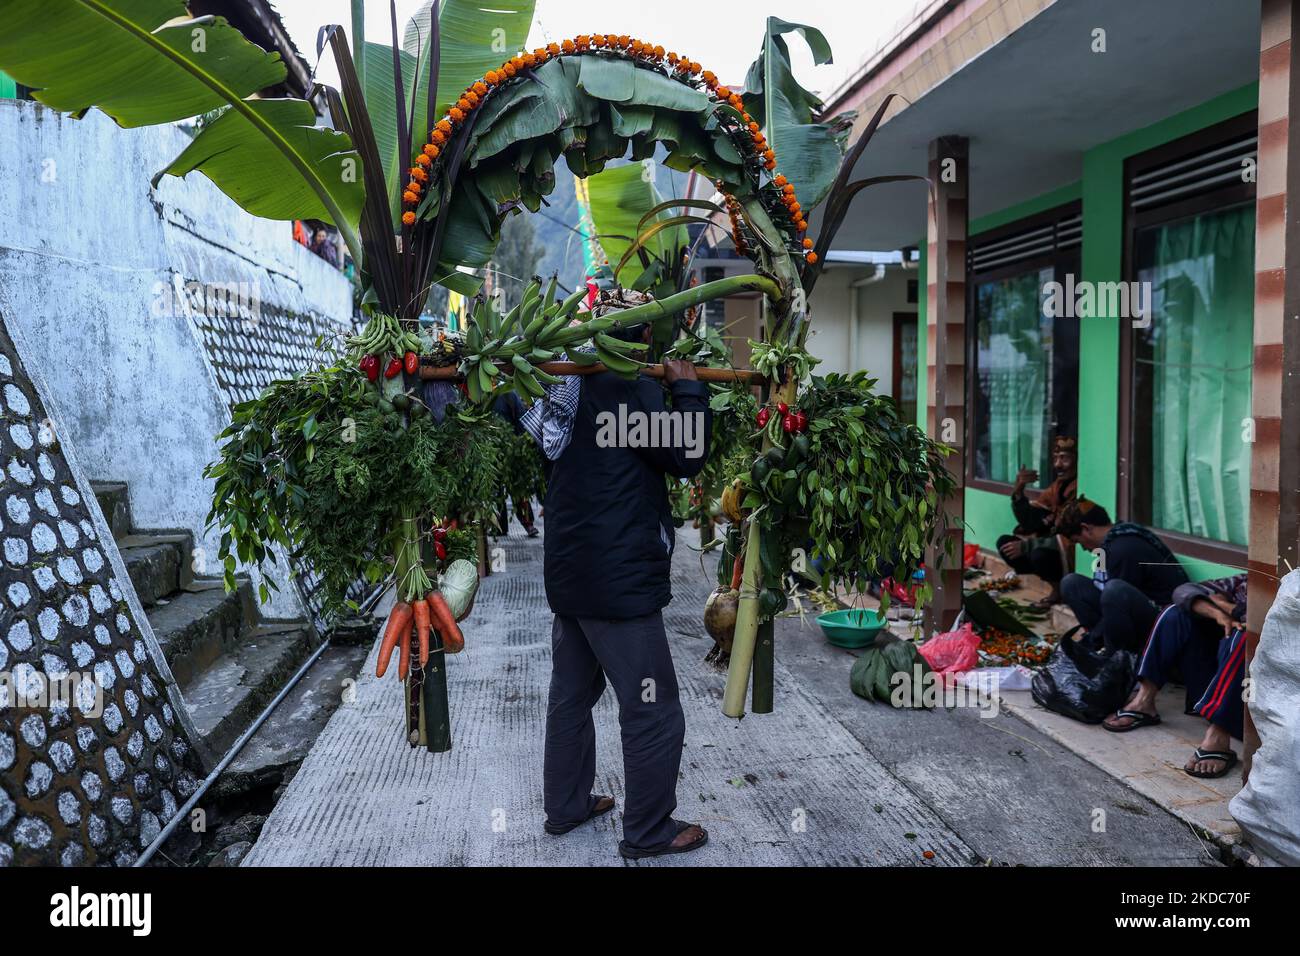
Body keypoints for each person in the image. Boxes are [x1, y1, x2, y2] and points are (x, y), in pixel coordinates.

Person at [538, 321, 711, 859]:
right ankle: (650, 830)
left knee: (570, 698)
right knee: (652, 708)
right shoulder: (631, 388)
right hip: (620, 588)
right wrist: (687, 389)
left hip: (571, 580)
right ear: (637, 343)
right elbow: (688, 454)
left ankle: (566, 807)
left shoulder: (562, 388)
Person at [1102, 575, 1247, 779]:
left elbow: (1266, 620)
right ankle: (1144, 701)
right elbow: (1184, 590)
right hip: (1212, 678)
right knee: (1175, 612)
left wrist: (1229, 607)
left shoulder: (1288, 590)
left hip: (1247, 699)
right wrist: (1217, 612)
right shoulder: (1246, 581)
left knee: (1245, 636)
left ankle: (1219, 735)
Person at [1055, 499, 1189, 654]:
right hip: (1136, 610)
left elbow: (1116, 602)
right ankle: (1100, 645)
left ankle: (1116, 658)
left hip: (1164, 620)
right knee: (1071, 584)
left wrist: (1089, 642)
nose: (1083, 548)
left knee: (1114, 592)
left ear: (1086, 529)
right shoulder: (1113, 543)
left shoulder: (1123, 549)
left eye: (1078, 541)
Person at [995, 436, 1078, 604]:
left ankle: (1059, 590)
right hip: (1050, 544)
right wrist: (1019, 490)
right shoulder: (1057, 486)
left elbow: (1072, 535)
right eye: (1055, 458)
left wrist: (1027, 545)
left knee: (1038, 555)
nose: (1058, 465)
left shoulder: (1080, 488)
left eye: (1065, 458)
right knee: (1005, 543)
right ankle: (1056, 586)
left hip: (1071, 550)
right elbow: (1032, 521)